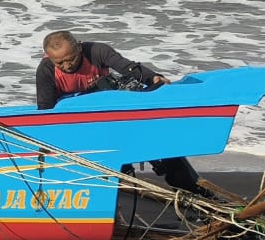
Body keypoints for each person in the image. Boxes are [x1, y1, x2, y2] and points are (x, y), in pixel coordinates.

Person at [35, 30, 206, 196]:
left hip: (108, 116)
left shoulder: (97, 51)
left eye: (70, 59)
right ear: (50, 58)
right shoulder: (46, 70)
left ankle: (190, 188)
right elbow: (46, 112)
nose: (67, 65)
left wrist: (153, 78)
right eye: (60, 63)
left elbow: (128, 68)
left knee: (158, 142)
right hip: (77, 124)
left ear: (79, 47)